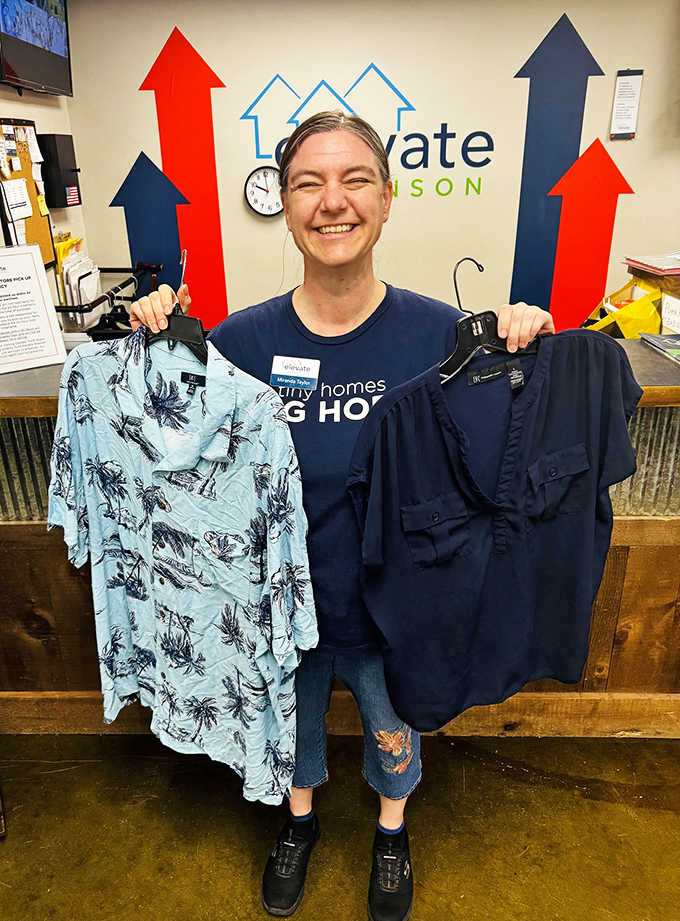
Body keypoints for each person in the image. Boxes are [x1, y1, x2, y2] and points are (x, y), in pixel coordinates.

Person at [130, 110, 555, 921]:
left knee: (395, 735)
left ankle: (391, 831)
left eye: (356, 180)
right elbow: (174, 439)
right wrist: (158, 334)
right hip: (282, 607)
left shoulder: (443, 336)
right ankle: (300, 823)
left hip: (397, 610)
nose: (333, 201)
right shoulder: (239, 341)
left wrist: (524, 342)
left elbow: (502, 448)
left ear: (387, 199)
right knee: (293, 734)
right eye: (308, 183)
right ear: (287, 207)